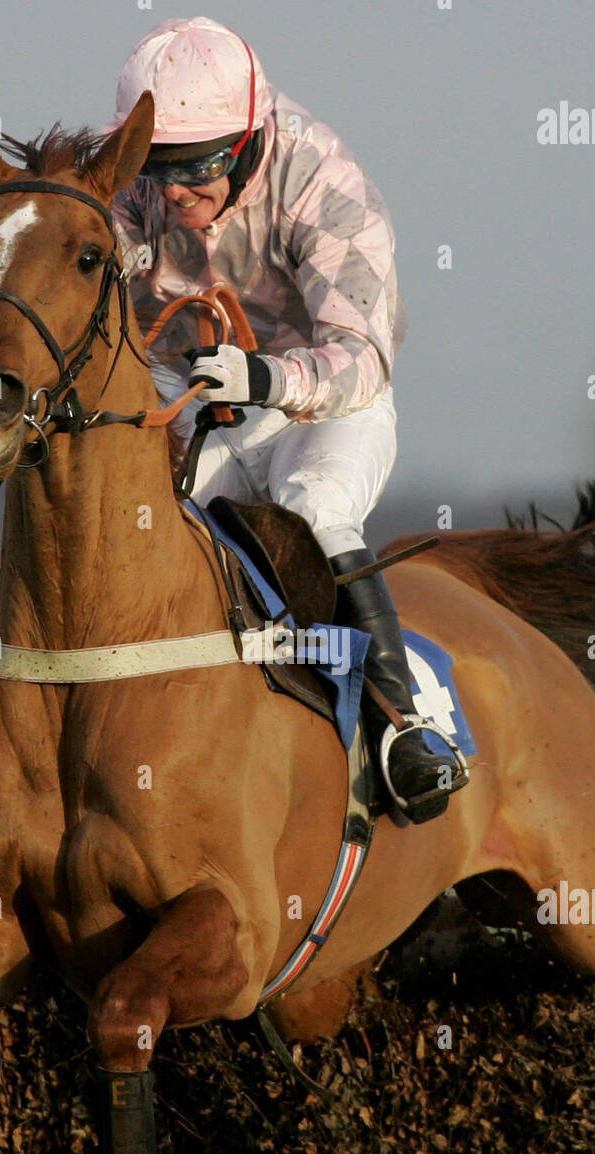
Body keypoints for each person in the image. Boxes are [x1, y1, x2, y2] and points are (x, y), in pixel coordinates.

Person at [106, 15, 466, 823]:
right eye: (153, 167)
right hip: (197, 397)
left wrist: (263, 376)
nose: (169, 193)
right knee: (120, 517)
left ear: (246, 141)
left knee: (311, 508)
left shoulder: (325, 188)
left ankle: (404, 728)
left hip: (326, 402)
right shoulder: (128, 182)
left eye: (194, 168)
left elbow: (362, 359)